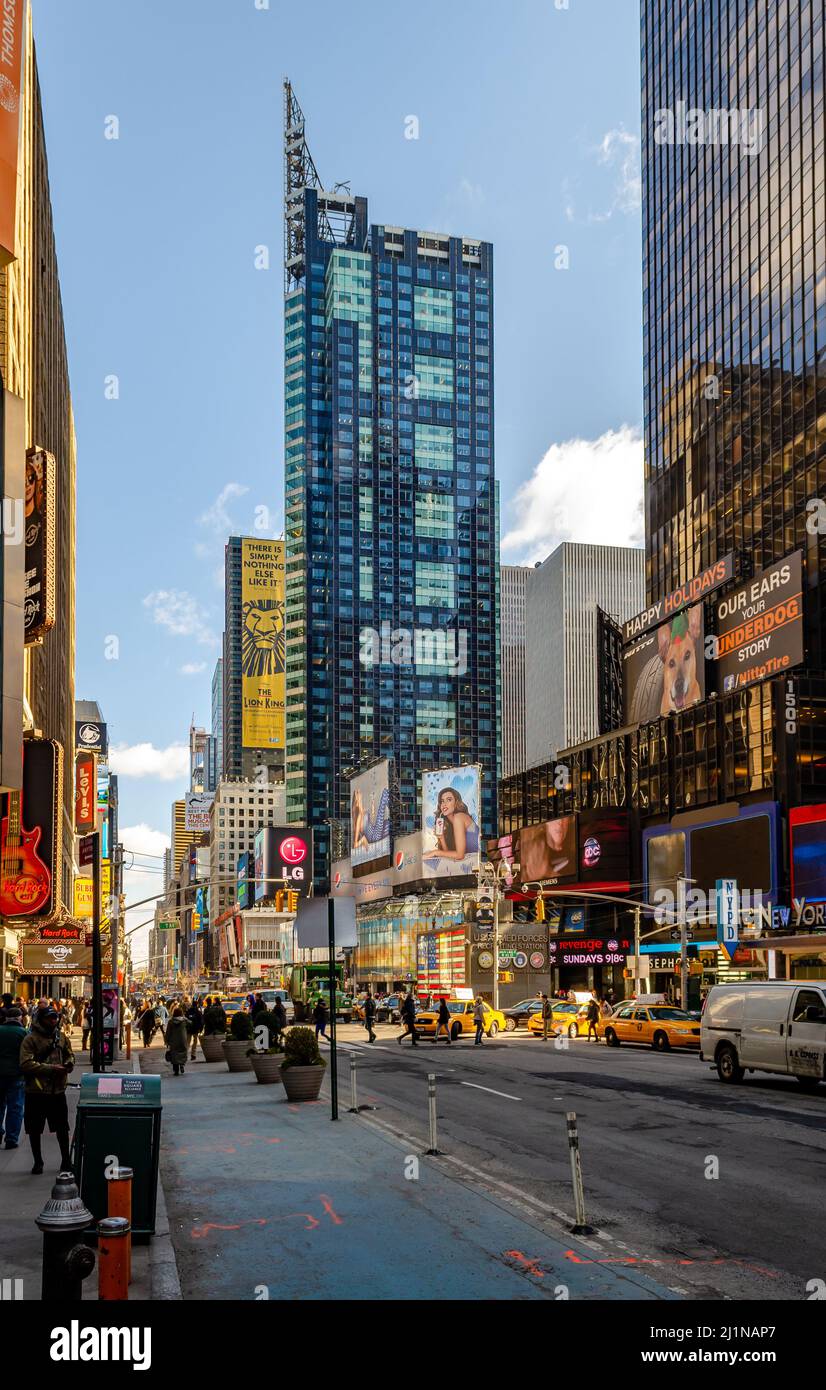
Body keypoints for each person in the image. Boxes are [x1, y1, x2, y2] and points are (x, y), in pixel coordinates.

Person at [20, 1005, 74, 1174]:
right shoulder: (30, 1039)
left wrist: (69, 1063)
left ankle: (66, 1161)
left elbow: (69, 1054)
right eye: (50, 1018)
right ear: (41, 1019)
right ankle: (38, 1162)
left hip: (57, 1091)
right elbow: (25, 1064)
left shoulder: (62, 1037)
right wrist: (51, 1069)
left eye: (55, 1017)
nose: (54, 1020)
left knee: (62, 1129)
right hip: (36, 1091)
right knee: (35, 1130)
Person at [423, 787, 480, 865]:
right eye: (442, 801)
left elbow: (460, 855)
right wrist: (441, 838)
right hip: (471, 865)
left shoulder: (459, 817)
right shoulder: (451, 825)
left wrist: (435, 852)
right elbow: (450, 856)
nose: (444, 804)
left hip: (481, 863)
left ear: (456, 802)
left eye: (449, 800)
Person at [0, 1005, 27, 1149]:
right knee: (15, 1107)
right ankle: (11, 1138)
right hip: (16, 1075)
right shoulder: (23, 1033)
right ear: (19, 1018)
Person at [164, 1006, 190, 1076]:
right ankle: (182, 1064)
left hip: (174, 1041)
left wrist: (166, 1041)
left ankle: (176, 1070)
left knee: (174, 1054)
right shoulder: (184, 1021)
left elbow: (168, 1032)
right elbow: (191, 1024)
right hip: (183, 1040)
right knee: (183, 1052)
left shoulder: (171, 1022)